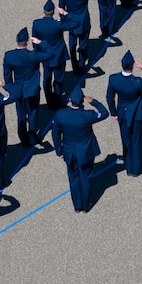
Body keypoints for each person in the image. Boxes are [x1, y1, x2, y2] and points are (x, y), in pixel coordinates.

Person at [50, 83, 110, 213]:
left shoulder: (61, 114)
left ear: (70, 99)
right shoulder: (87, 115)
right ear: (82, 100)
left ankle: (77, 205)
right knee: (86, 176)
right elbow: (105, 113)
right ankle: (86, 204)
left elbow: (55, 133)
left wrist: (59, 151)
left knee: (73, 178)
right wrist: (94, 101)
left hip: (69, 151)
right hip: (86, 151)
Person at [106, 50, 142, 177]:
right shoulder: (137, 82)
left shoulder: (113, 79)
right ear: (132, 66)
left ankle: (128, 165)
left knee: (126, 140)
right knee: (136, 141)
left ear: (121, 64)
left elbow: (109, 97)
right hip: (136, 114)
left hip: (122, 114)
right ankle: (136, 169)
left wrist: (113, 112)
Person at [2, 27, 46, 146]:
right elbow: (51, 53)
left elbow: (7, 75)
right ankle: (32, 138)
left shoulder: (9, 56)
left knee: (20, 115)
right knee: (33, 114)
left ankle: (23, 138)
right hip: (31, 90)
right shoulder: (33, 56)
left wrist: (10, 89)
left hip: (18, 90)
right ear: (27, 42)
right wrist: (40, 43)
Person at [59, 0, 94, 74]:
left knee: (72, 44)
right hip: (83, 22)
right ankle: (81, 65)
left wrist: (63, 21)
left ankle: (74, 66)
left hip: (71, 21)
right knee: (83, 44)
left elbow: (61, 6)